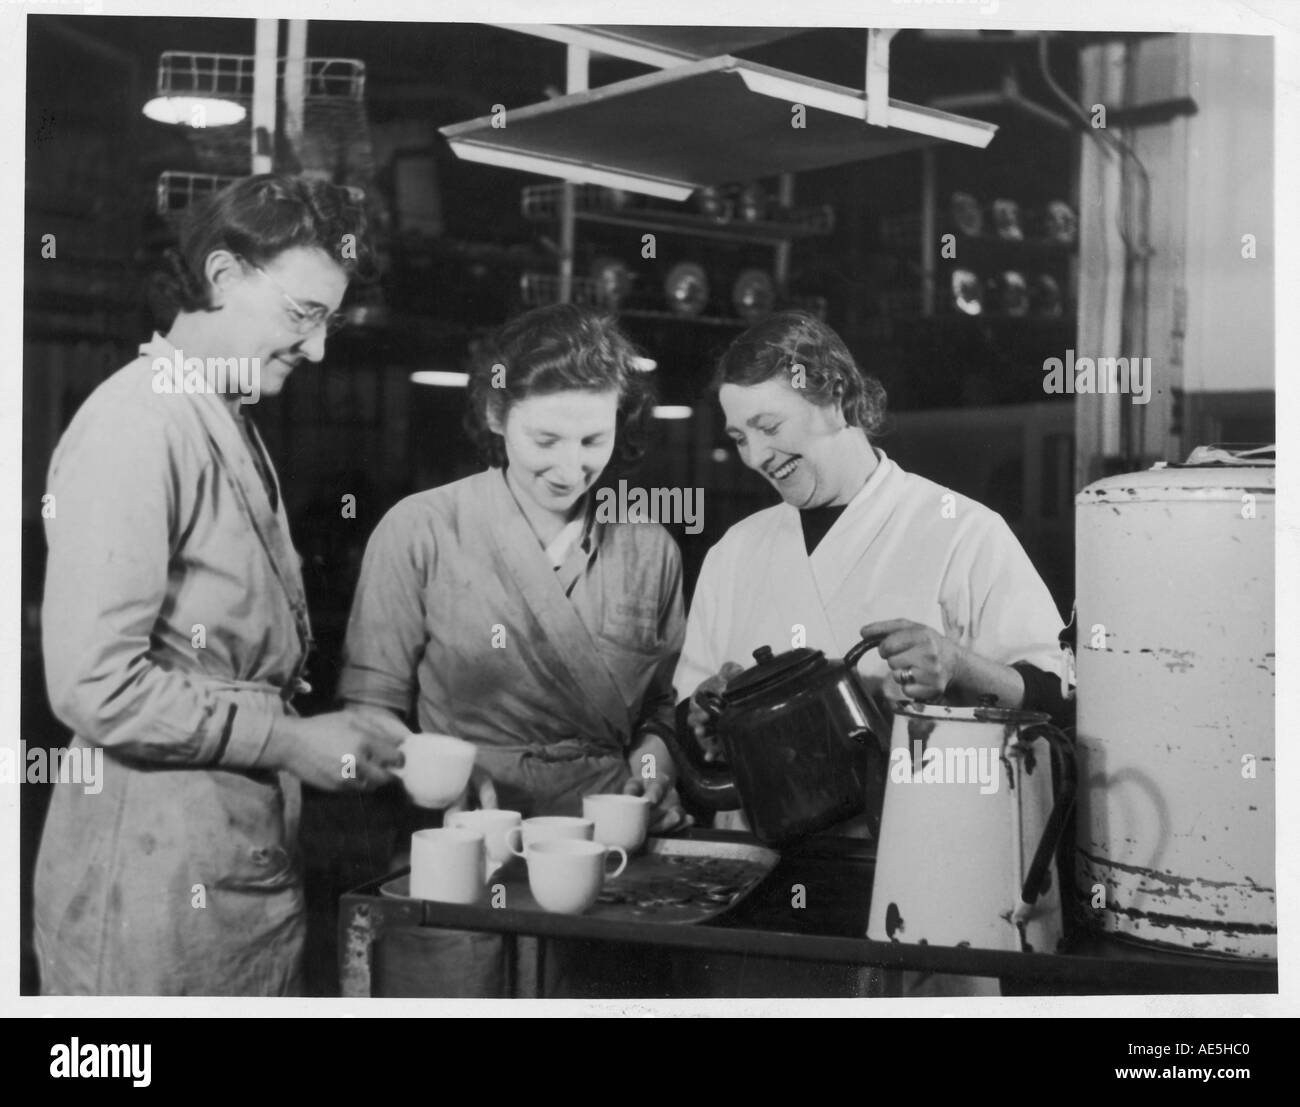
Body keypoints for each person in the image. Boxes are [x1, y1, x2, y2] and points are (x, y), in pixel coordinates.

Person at [34, 174, 411, 996]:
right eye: (304, 314)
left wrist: (332, 726)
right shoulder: (139, 421)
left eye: (329, 322)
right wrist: (289, 741)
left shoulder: (218, 414)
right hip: (149, 879)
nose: (317, 349)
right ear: (224, 275)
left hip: (217, 864)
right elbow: (95, 684)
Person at [674, 310, 1069, 997]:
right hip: (766, 885)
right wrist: (708, 712)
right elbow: (689, 721)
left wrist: (963, 667)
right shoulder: (738, 550)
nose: (755, 456)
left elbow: (1056, 697)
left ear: (834, 395)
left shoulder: (962, 531)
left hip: (929, 874)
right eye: (739, 437)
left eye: (770, 427)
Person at [338, 303, 687, 995]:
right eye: (545, 438)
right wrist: (427, 771)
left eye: (594, 439)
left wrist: (656, 759)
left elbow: (668, 704)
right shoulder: (421, 530)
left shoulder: (651, 547)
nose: (570, 467)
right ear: (497, 416)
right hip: (464, 838)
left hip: (600, 846)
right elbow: (367, 714)